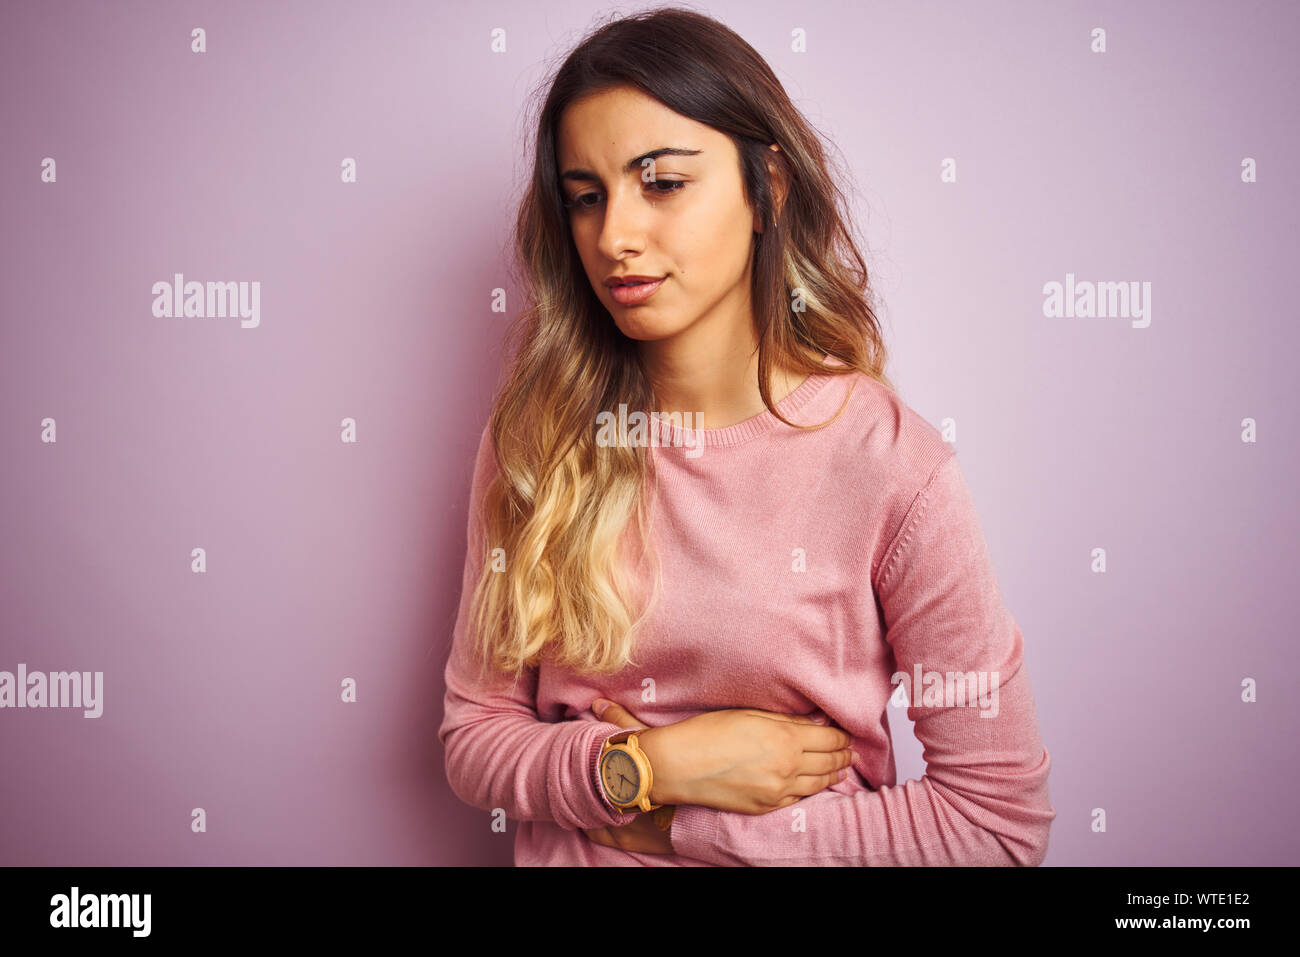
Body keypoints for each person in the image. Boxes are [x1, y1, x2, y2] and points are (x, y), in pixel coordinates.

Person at [438, 7, 1055, 866]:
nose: (614, 235)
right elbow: (474, 736)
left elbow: (996, 826)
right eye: (586, 197)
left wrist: (689, 826)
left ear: (768, 189)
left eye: (662, 183)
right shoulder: (538, 445)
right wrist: (646, 766)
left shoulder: (887, 463)